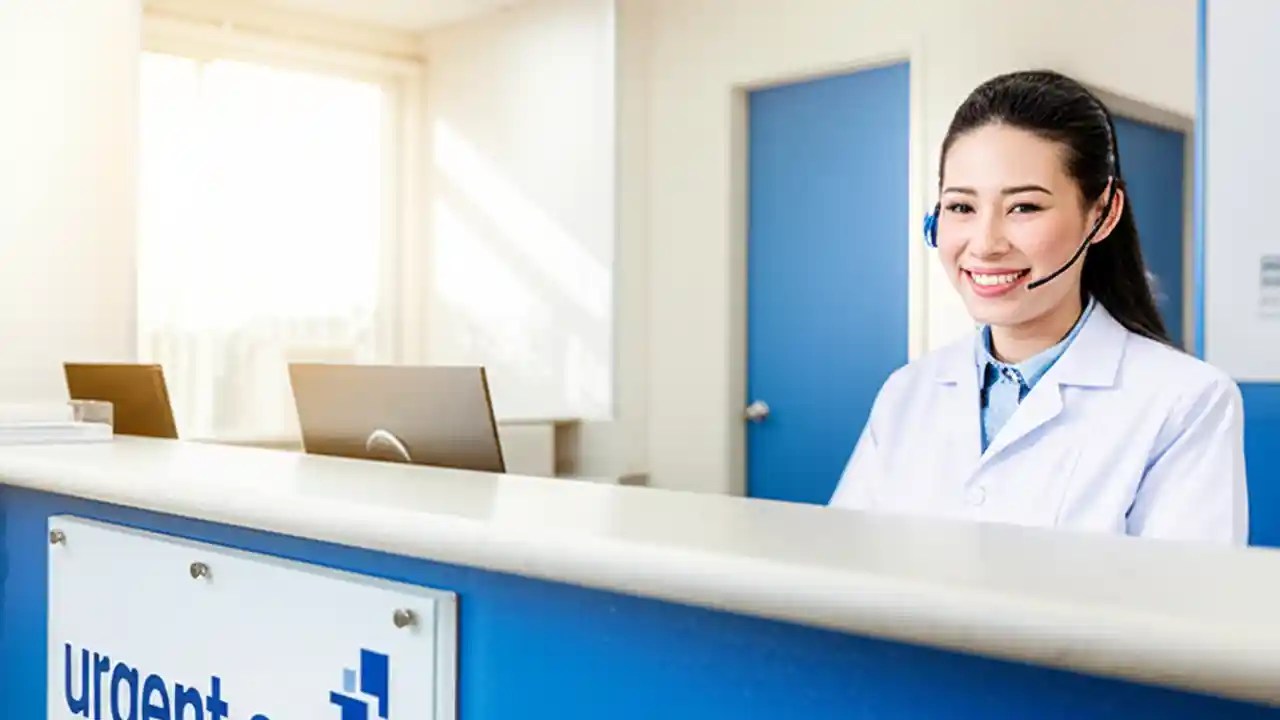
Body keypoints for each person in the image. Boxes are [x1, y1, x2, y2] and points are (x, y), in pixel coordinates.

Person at [829, 70, 1248, 545]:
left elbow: (1182, 608)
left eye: (1024, 207)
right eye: (962, 208)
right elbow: (848, 568)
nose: (985, 245)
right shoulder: (906, 394)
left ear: (1103, 213)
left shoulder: (1186, 403)